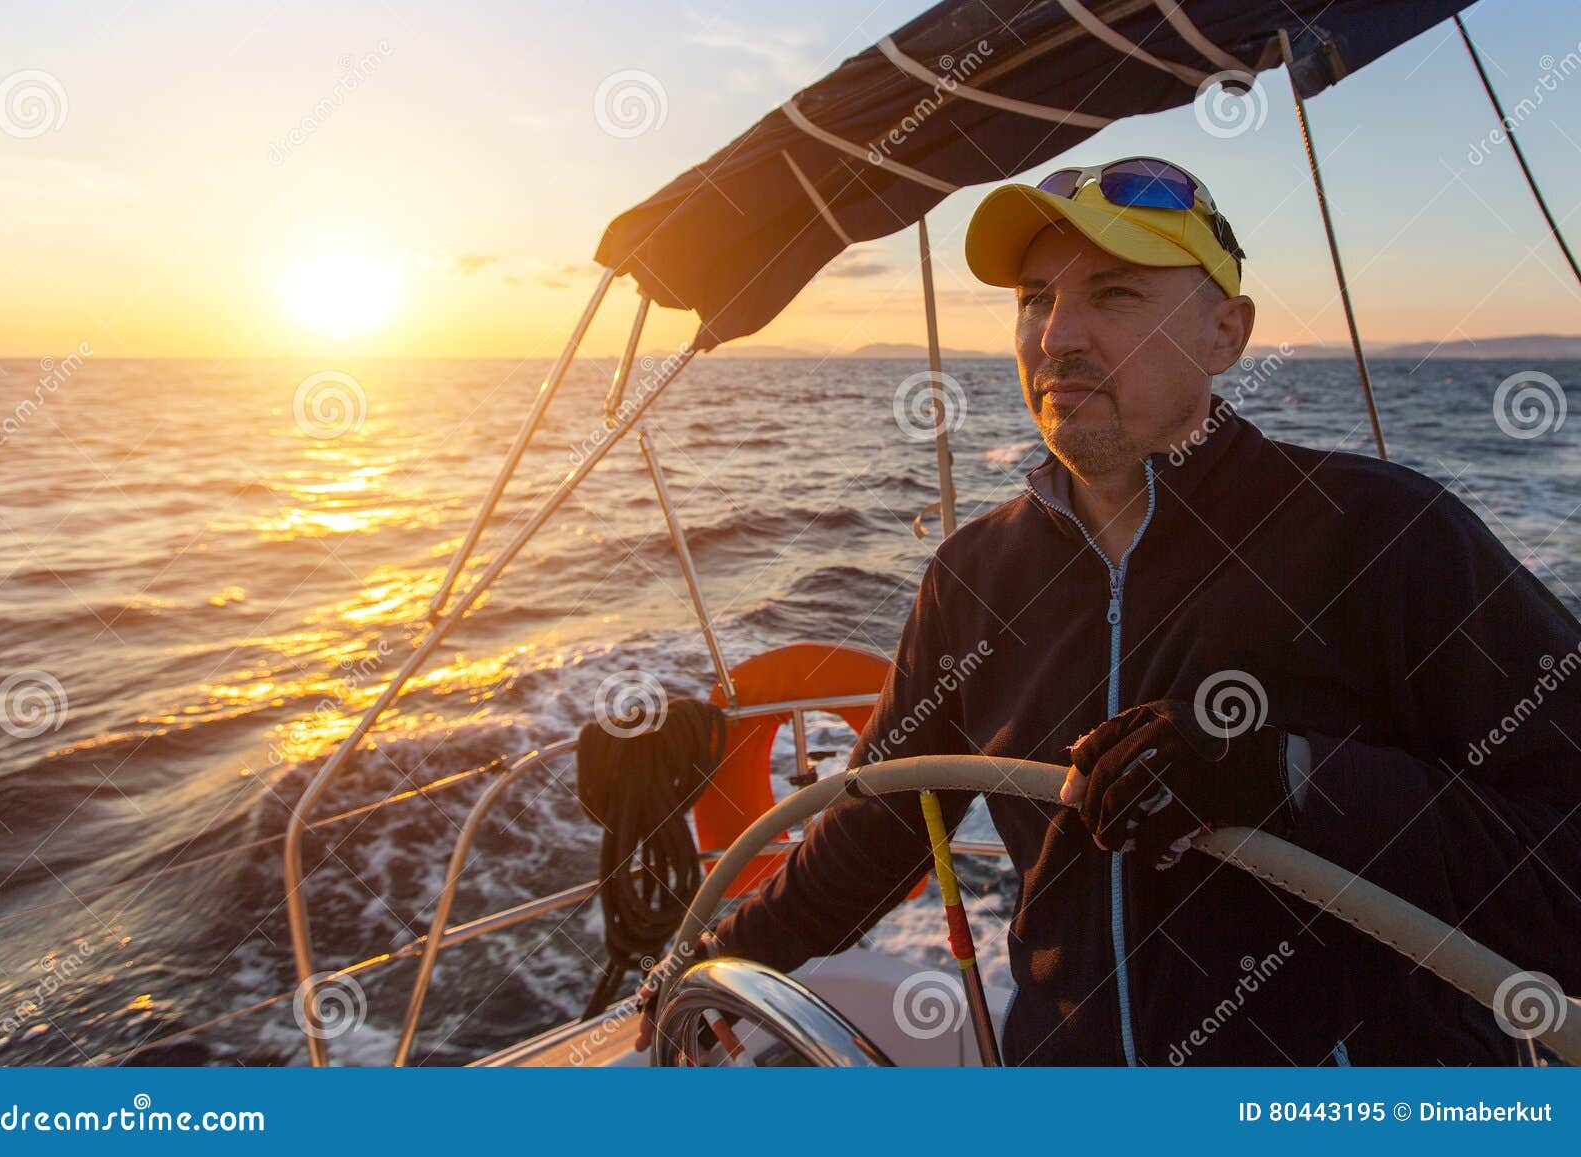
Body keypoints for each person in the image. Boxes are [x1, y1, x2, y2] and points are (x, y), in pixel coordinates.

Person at [638, 156, 1581, 1065]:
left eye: (1115, 293)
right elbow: (872, 830)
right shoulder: (973, 576)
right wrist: (713, 950)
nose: (1057, 337)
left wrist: (1285, 777)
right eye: (1036, 298)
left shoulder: (1383, 535)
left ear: (1226, 333)